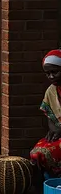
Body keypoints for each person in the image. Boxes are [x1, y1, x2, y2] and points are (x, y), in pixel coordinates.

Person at [31, 50, 61, 178]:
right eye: (48, 73)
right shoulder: (51, 91)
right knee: (37, 152)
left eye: (55, 72)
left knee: (48, 153)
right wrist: (54, 131)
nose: (51, 76)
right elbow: (50, 117)